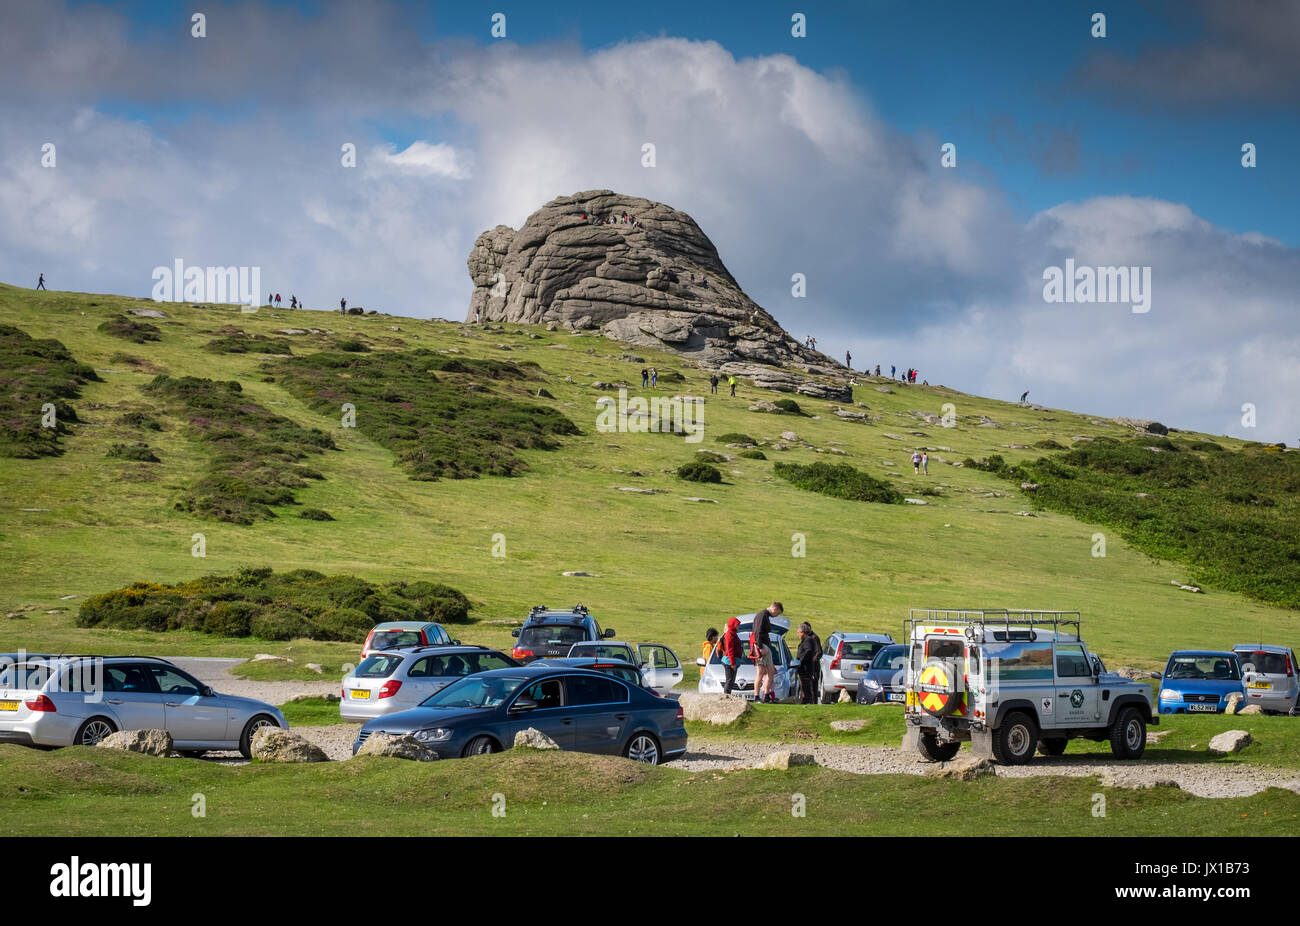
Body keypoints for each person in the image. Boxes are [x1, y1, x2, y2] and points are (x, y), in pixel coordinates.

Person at [750, 602, 783, 703]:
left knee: (770, 672)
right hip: (761, 646)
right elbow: (757, 631)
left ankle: (767, 695)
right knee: (760, 672)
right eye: (777, 613)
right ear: (775, 609)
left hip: (766, 645)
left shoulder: (766, 616)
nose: (776, 615)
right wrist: (760, 647)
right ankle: (756, 696)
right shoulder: (762, 615)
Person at [795, 622, 823, 705]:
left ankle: (810, 703)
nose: (797, 634)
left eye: (798, 632)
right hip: (806, 667)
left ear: (803, 632)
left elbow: (813, 652)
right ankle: (805, 701)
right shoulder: (807, 639)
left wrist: (801, 661)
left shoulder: (811, 639)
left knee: (809, 687)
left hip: (809, 667)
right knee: (804, 687)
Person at [719, 617, 743, 695]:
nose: (738, 627)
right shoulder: (729, 635)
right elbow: (730, 650)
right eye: (737, 625)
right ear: (733, 625)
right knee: (729, 681)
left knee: (731, 681)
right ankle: (726, 697)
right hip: (729, 662)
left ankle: (728, 696)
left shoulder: (733, 634)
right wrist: (732, 663)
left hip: (733, 661)